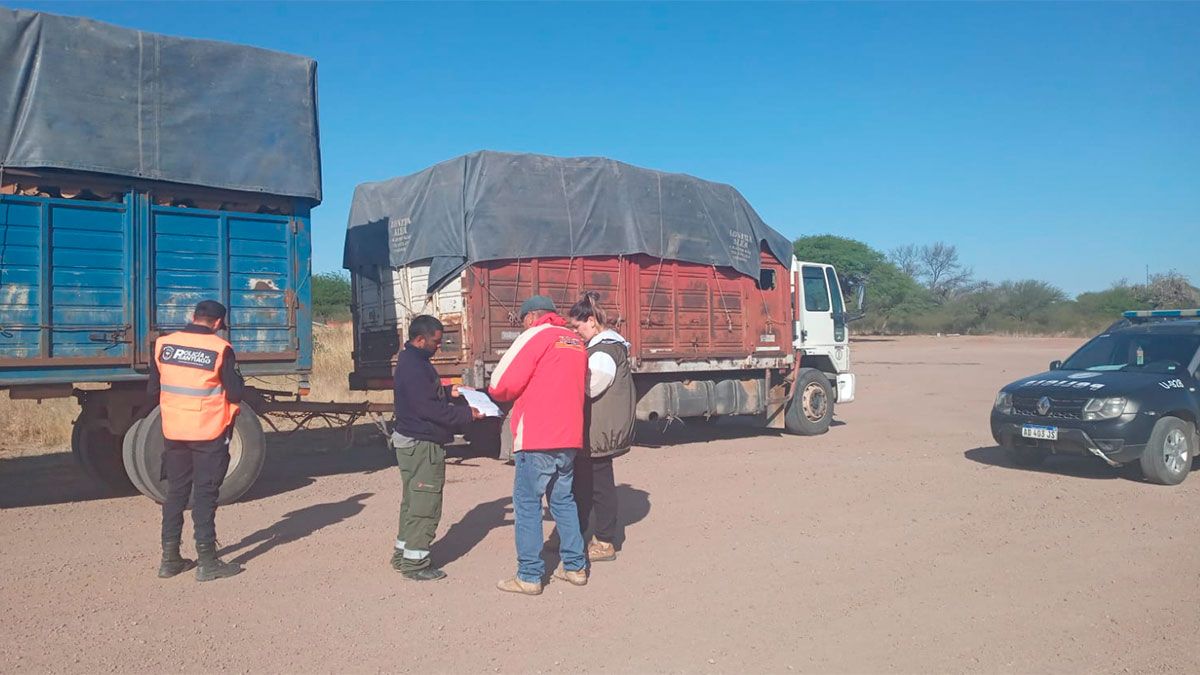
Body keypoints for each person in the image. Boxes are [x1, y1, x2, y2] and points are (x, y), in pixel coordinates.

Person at [488, 295, 590, 595]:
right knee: (563, 501)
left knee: (528, 505)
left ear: (531, 317)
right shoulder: (574, 340)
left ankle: (530, 575)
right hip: (569, 435)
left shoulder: (535, 335)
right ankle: (575, 568)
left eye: (523, 321)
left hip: (537, 437)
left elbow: (500, 383)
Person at [147, 300, 245, 582]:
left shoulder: (164, 345)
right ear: (217, 323)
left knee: (175, 492)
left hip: (174, 430)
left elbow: (153, 388)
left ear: (193, 316)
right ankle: (207, 562)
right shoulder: (219, 349)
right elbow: (235, 393)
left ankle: (169, 560)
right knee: (205, 493)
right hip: (208, 431)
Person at [390, 315, 482, 581]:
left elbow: (426, 395)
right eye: (436, 341)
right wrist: (467, 415)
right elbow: (429, 409)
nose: (439, 346)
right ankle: (416, 564)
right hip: (421, 444)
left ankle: (403, 554)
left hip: (412, 441)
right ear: (420, 340)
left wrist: (449, 390)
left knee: (412, 501)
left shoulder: (413, 361)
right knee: (425, 503)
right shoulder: (414, 367)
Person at [567, 291, 635, 563]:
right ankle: (578, 533)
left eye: (577, 325)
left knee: (599, 487)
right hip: (597, 430)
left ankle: (605, 540)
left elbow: (591, 387)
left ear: (592, 321)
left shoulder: (603, 350)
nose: (576, 331)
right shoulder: (605, 346)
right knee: (583, 484)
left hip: (599, 431)